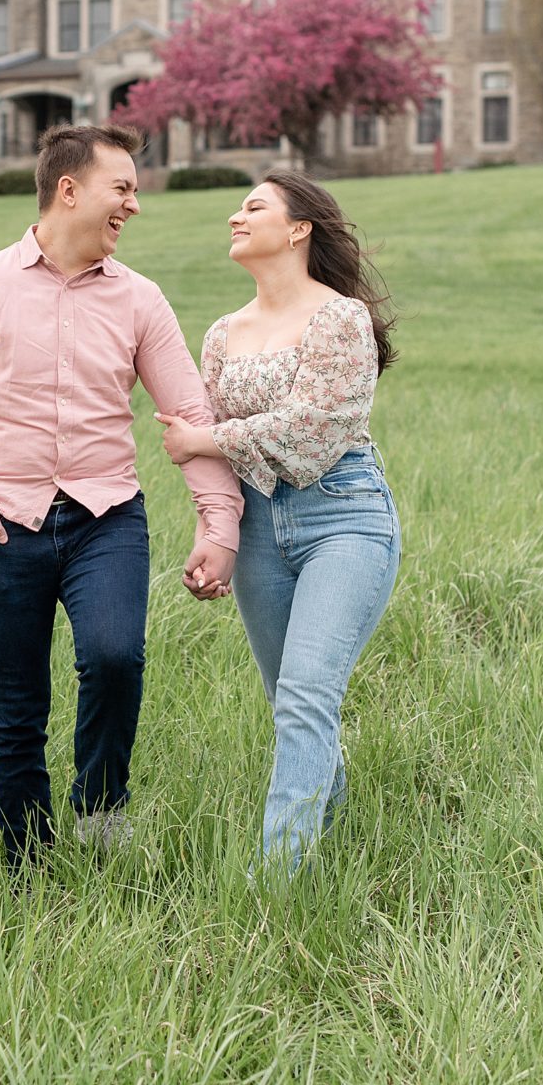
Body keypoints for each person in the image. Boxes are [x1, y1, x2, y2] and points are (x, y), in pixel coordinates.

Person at [0, 124, 242, 873]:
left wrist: (218, 526)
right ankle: (26, 864)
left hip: (105, 519)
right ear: (69, 190)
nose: (134, 203)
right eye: (121, 188)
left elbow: (190, 416)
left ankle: (99, 818)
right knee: (16, 711)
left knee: (115, 656)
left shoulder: (141, 300)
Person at [155, 168, 401, 876]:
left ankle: (277, 884)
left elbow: (315, 431)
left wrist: (206, 440)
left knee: (303, 693)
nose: (236, 216)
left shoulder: (339, 318)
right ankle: (338, 835)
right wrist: (216, 534)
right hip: (259, 527)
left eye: (253, 207)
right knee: (290, 701)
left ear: (297, 229)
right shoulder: (222, 333)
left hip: (344, 519)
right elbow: (201, 446)